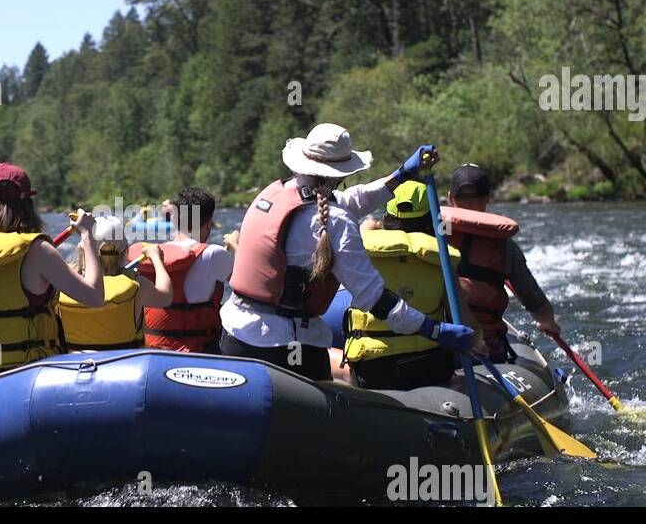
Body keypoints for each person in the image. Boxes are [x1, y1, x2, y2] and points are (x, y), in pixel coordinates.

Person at [219, 123, 475, 381]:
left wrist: (401, 174)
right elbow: (374, 299)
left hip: (234, 336)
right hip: (282, 347)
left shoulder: (279, 192)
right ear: (341, 173)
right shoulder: (335, 220)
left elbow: (355, 199)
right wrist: (435, 331)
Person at [0, 162, 105, 388]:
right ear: (27, 205)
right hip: (31, 381)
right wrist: (87, 236)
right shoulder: (38, 251)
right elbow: (95, 297)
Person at [338, 181, 485, 390]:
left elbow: (362, 230)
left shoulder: (360, 247)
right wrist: (481, 342)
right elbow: (466, 325)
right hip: (431, 367)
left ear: (386, 218)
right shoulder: (442, 259)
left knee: (334, 357)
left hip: (375, 369)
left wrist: (371, 225)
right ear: (431, 221)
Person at [445, 164, 560, 363]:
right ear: (488, 198)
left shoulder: (432, 236)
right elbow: (536, 302)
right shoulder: (505, 246)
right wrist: (549, 323)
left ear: (449, 198)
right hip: (487, 349)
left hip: (441, 349)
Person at [128, 187, 234, 353]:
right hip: (196, 352)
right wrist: (237, 245)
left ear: (174, 221)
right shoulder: (214, 253)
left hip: (152, 349)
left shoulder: (152, 254)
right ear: (208, 224)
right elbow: (247, 286)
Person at [57, 215, 173, 351]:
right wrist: (156, 259)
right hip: (121, 367)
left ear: (83, 249)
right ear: (125, 252)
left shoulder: (62, 284)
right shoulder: (138, 285)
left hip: (74, 367)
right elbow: (166, 296)